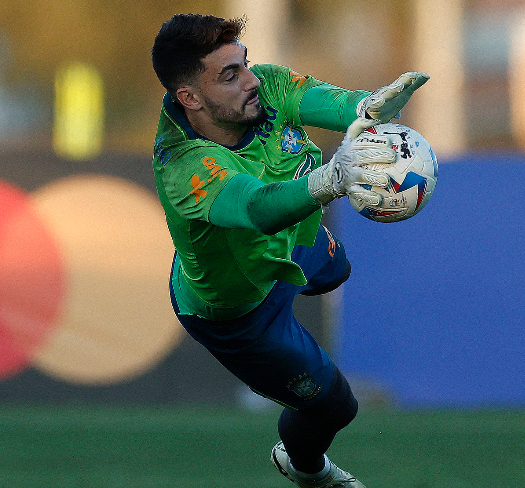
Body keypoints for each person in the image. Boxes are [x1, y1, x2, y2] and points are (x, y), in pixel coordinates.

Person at [151, 13, 428, 488]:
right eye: (230, 75)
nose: (251, 80)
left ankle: (306, 284)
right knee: (335, 406)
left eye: (245, 63)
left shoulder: (267, 87)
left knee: (337, 269)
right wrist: (331, 179)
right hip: (238, 307)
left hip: (293, 241)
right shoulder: (183, 166)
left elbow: (339, 106)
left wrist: (368, 107)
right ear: (190, 98)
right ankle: (306, 468)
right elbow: (258, 210)